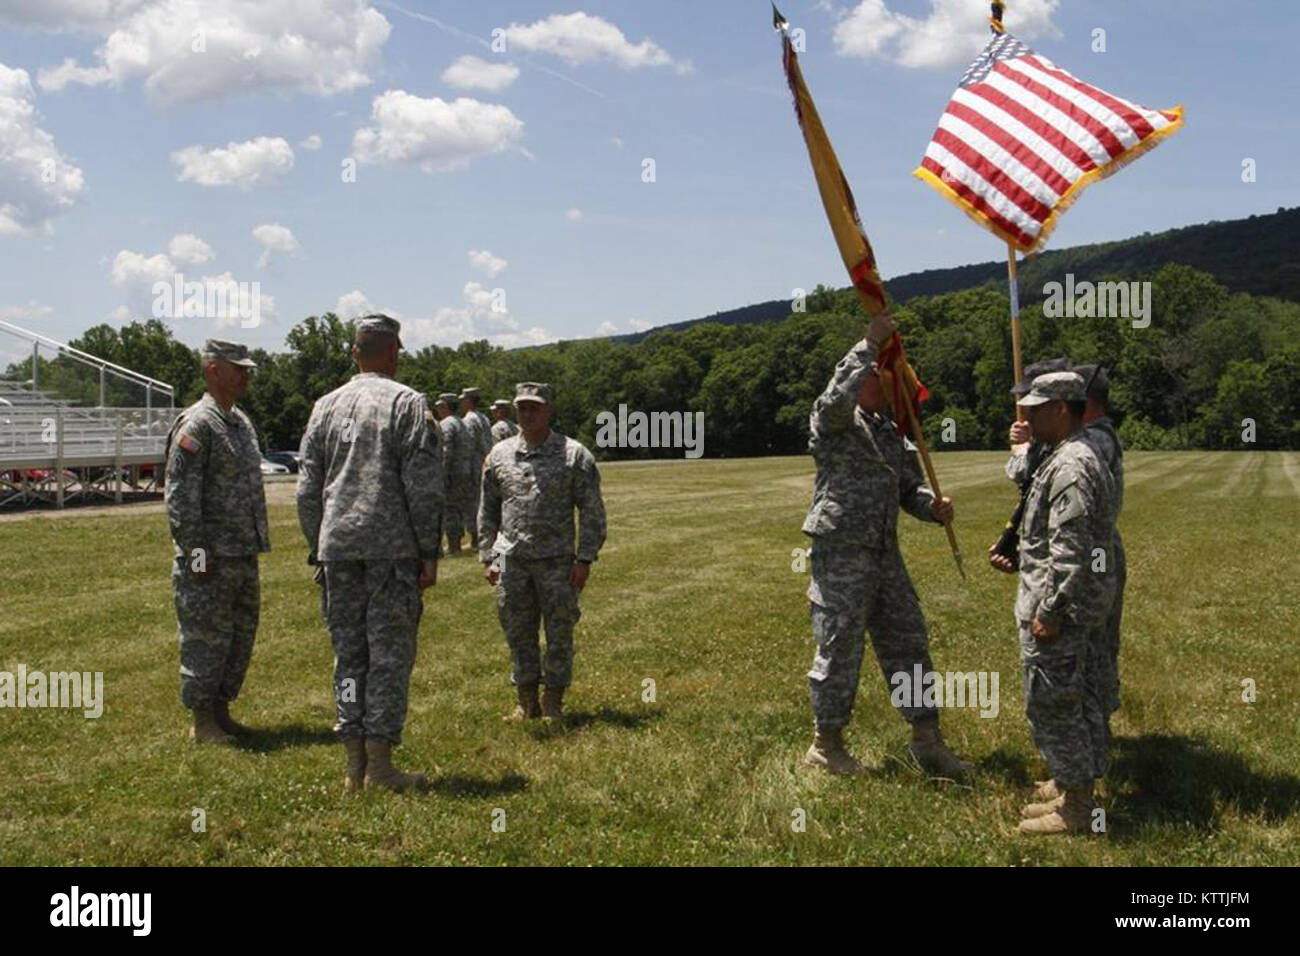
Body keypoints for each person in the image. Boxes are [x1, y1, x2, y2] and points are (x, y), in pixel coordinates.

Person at [800, 317, 972, 778]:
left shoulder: (892, 431)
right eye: (882, 371)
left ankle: (926, 739)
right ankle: (826, 745)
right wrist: (869, 344)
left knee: (908, 639)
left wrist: (931, 507)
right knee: (840, 646)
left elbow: (908, 488)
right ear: (862, 377)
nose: (891, 378)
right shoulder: (834, 423)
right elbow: (833, 399)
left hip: (883, 551)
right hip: (841, 551)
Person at [297, 315, 443, 793]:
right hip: (389, 551)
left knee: (349, 659)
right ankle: (379, 768)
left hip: (337, 550)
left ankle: (352, 766)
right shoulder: (407, 403)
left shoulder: (324, 407)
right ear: (395, 351)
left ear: (355, 353)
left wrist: (317, 546)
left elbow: (306, 490)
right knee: (388, 658)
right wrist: (428, 550)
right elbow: (422, 488)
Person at [1011, 371, 1116, 835]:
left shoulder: (1072, 465)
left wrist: (1050, 611)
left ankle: (1076, 807)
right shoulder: (1068, 455)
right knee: (1082, 694)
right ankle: (1078, 789)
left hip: (1060, 611)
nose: (1026, 416)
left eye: (1035, 408)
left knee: (1054, 701)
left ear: (1060, 410)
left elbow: (1069, 551)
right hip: (1077, 605)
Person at [479, 382, 606, 722]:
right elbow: (489, 510)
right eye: (522, 407)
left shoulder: (574, 455)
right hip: (511, 559)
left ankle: (553, 701)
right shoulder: (499, 455)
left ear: (550, 410)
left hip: (557, 562)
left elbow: (592, 510)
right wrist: (490, 558)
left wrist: (585, 558)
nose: (528, 413)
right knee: (518, 632)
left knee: (560, 632)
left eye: (535, 407)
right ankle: (526, 700)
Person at [164, 339, 270, 744]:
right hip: (208, 556)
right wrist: (196, 555)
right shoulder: (197, 425)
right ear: (212, 370)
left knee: (238, 636)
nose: (245, 375)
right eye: (237, 367)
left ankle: (222, 711)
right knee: (205, 636)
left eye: (247, 368)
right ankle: (202, 720)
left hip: (242, 551)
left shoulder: (240, 422)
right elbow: (181, 498)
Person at [1073, 364, 1125, 716]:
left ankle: (1092, 722)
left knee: (1088, 640)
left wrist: (1023, 451)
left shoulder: (1092, 440)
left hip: (1092, 550)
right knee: (1100, 639)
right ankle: (1099, 714)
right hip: (1102, 547)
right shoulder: (1100, 435)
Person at [989, 357, 1070, 575]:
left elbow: (1024, 474)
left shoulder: (1071, 449)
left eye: (1033, 402)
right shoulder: (1044, 440)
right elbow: (1026, 488)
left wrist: (1021, 449)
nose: (1025, 409)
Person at [433, 392, 473, 555]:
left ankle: (454, 544)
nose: (438, 410)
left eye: (439, 406)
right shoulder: (461, 423)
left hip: (452, 473)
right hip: (464, 470)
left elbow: (446, 450)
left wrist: (442, 472)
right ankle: (456, 542)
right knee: (457, 508)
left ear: (445, 406)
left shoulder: (447, 424)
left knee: (450, 509)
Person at [459, 387, 493, 545]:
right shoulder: (484, 418)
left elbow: (467, 446)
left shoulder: (469, 419)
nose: (461, 403)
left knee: (472, 502)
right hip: (486, 462)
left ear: (468, 401)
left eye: (463, 400)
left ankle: (475, 538)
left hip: (473, 464)